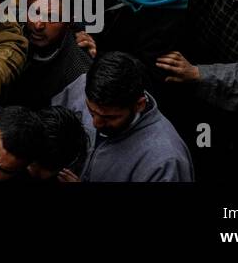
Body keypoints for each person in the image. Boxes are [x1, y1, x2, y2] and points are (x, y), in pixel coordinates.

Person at [59, 51, 194, 181]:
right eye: (91, 111)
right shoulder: (81, 86)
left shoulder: (165, 161)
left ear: (139, 105)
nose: (96, 123)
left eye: (110, 117)